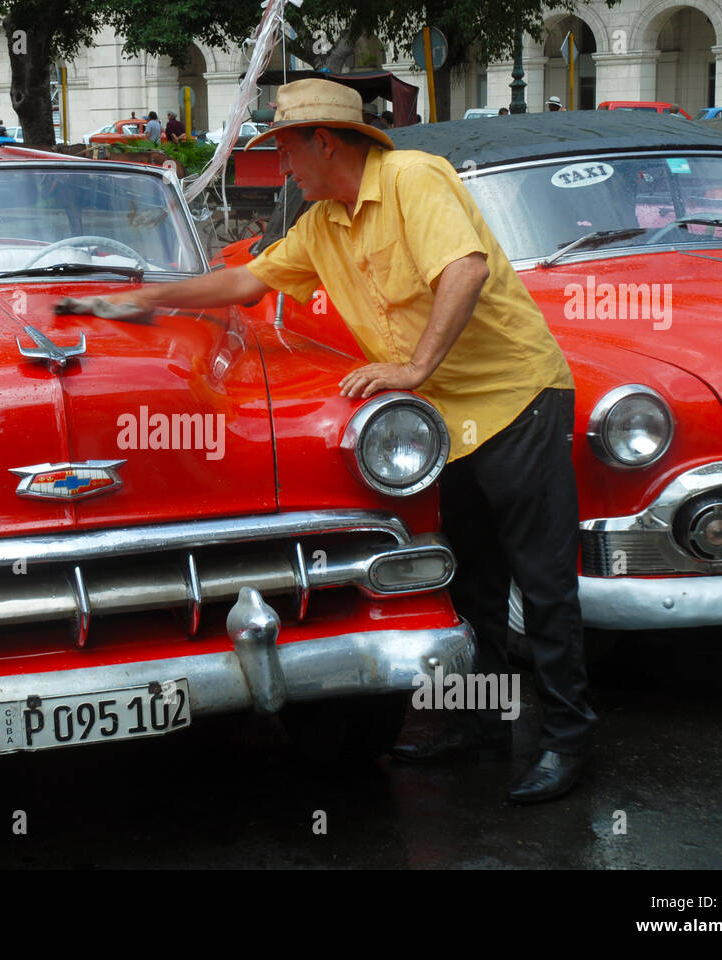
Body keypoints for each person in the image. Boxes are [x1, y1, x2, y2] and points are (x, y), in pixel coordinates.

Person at [96, 78, 595, 803]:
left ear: (324, 141)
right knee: (475, 583)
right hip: (444, 422)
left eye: (286, 150)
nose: (282, 168)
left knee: (543, 583)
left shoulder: (414, 178)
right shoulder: (322, 224)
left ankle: (570, 742)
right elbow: (244, 284)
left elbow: (466, 269)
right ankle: (485, 724)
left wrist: (415, 366)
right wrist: (148, 296)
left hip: (516, 399)